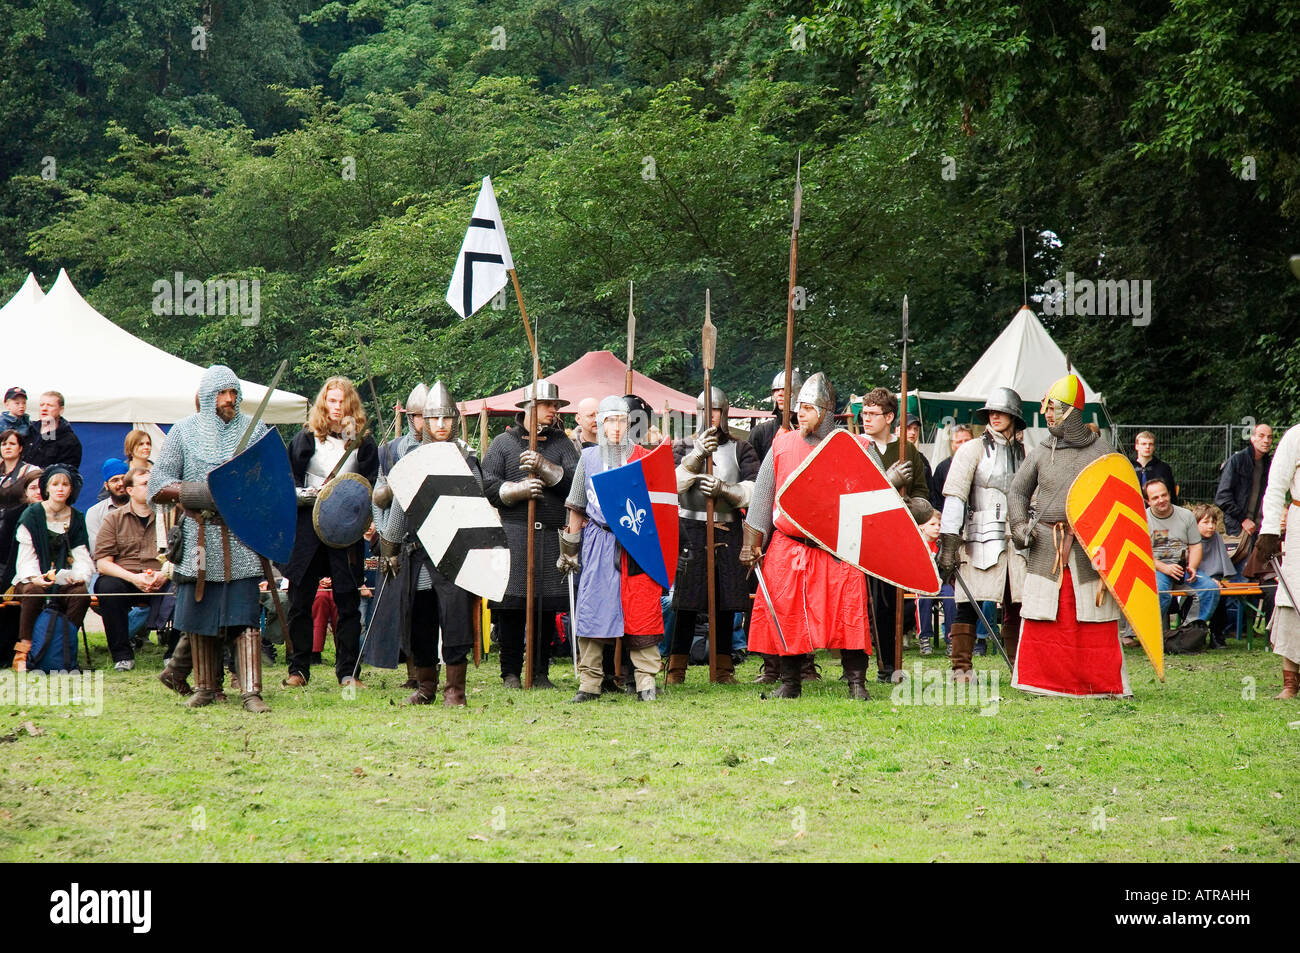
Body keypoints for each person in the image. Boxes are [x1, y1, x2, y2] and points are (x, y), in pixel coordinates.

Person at [740, 373, 872, 699]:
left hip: (838, 547)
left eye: (809, 408)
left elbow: (874, 499)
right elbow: (762, 498)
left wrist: (891, 480)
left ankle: (856, 682)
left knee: (849, 612)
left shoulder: (856, 447)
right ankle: (790, 682)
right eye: (800, 407)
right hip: (789, 546)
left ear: (826, 412)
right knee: (788, 613)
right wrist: (750, 542)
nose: (801, 413)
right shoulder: (782, 446)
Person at [148, 365, 272, 712]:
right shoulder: (184, 432)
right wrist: (200, 492)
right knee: (200, 616)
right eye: (221, 393)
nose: (228, 400)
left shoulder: (254, 429)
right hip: (199, 536)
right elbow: (158, 485)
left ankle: (251, 692)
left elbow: (267, 482)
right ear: (206, 396)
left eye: (233, 392)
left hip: (240, 536)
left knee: (244, 615)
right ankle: (204, 688)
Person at [1007, 374, 1127, 698]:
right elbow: (1017, 491)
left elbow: (1123, 503)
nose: (1047, 415)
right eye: (1046, 408)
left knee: (1092, 617)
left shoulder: (1103, 454)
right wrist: (1019, 527)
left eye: (1054, 408)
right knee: (1045, 615)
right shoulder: (1041, 452)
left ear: (1073, 412)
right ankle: (1040, 682)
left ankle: (1100, 685)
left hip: (1090, 548)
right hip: (1048, 543)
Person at [372, 381, 480, 707]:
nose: (441, 425)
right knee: (420, 620)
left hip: (454, 551)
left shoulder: (467, 458)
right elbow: (402, 506)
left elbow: (477, 502)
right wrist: (389, 547)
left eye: (447, 418)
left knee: (455, 618)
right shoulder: (411, 459)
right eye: (435, 419)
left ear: (455, 421)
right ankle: (425, 686)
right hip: (418, 553)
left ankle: (455, 691)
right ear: (426, 422)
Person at [560, 396, 664, 701]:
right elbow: (577, 508)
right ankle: (590, 683)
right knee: (593, 610)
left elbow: (661, 505)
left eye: (621, 420)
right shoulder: (589, 459)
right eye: (609, 421)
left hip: (636, 544)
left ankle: (646, 682)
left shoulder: (643, 457)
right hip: (597, 542)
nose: (616, 427)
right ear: (600, 424)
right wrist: (569, 549)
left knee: (642, 610)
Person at [281, 376, 379, 689]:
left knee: (348, 602)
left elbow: (372, 487)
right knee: (300, 602)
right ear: (324, 403)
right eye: (331, 401)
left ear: (351, 404)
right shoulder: (306, 438)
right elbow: (288, 484)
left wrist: (369, 516)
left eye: (342, 402)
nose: (336, 408)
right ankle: (298, 669)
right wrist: (308, 495)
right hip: (307, 528)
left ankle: (349, 673)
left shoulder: (362, 443)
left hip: (346, 531)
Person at [482, 379, 579, 689]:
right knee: (511, 608)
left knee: (545, 607)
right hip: (514, 533)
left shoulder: (562, 444)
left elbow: (577, 485)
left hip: (549, 534)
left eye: (555, 406)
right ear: (529, 407)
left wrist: (548, 469)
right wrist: (516, 490)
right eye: (549, 405)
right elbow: (486, 484)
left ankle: (539, 671)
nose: (554, 411)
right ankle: (510, 671)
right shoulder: (503, 443)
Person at [666, 387, 759, 684]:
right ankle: (676, 668)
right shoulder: (682, 447)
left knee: (725, 601)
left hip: (726, 528)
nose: (711, 416)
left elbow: (755, 490)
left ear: (725, 412)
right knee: (684, 603)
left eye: (716, 410)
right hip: (689, 529)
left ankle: (722, 668)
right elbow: (672, 485)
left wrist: (724, 490)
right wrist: (696, 455)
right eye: (706, 411)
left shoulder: (741, 448)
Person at [936, 387, 1028, 679]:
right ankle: (961, 668)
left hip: (1016, 540)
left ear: (1014, 416)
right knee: (968, 603)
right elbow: (954, 498)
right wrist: (949, 544)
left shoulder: (1026, 454)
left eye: (1002, 412)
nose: (996, 416)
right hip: (978, 538)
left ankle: (1020, 668)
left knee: (1017, 605)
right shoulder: (971, 449)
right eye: (992, 411)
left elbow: (1032, 498)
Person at [858, 386, 930, 681]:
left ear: (889, 417)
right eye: (864, 413)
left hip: (894, 539)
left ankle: (889, 666)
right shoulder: (856, 446)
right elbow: (854, 495)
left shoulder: (908, 450)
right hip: (861, 536)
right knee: (859, 605)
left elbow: (924, 498)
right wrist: (889, 484)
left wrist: (909, 505)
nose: (867, 419)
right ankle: (855, 668)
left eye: (874, 414)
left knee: (889, 604)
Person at [10, 465, 92, 671]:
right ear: (47, 488)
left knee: (81, 594)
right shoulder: (33, 514)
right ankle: (25, 649)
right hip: (32, 578)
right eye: (55, 484)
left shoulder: (76, 517)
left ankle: (62, 645)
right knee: (33, 591)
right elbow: (26, 555)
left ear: (72, 489)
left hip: (61, 579)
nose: (60, 489)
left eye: (65, 484)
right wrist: (33, 577)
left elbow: (81, 554)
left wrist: (78, 576)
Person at [94, 467, 172, 671]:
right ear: (129, 490)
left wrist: (163, 574)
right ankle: (122, 655)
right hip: (126, 578)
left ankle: (174, 654)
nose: (152, 487)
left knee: (185, 584)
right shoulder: (114, 518)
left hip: (162, 576)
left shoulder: (169, 516)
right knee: (107, 586)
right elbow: (102, 563)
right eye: (145, 484)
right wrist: (133, 578)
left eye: (153, 482)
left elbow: (181, 555)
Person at [1254, 422, 1300, 698]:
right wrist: (1270, 530)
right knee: (1292, 596)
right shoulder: (1296, 435)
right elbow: (1275, 488)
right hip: (1298, 528)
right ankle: (1291, 682)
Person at [1144, 479, 1216, 630]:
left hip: (1183, 568)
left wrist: (1193, 566)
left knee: (1210, 588)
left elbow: (1196, 546)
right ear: (1147, 501)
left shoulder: (1186, 515)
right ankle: (1153, 632)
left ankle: (1190, 629)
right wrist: (1164, 568)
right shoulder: (1142, 519)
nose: (1161, 500)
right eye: (1155, 498)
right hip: (1155, 569)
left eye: (1164, 495)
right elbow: (1141, 554)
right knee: (1159, 593)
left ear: (1170, 494)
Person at [1215, 423, 1273, 566]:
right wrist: (1243, 520)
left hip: (1261, 528)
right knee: (1240, 575)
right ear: (1252, 438)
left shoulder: (1270, 464)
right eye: (1261, 436)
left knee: (1258, 574)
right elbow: (1222, 497)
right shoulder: (1237, 460)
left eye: (1270, 437)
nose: (1266, 440)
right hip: (1239, 527)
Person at [1190, 503, 1234, 648]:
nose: (1211, 526)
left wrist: (1218, 580)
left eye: (1214, 522)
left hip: (1216, 579)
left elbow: (1221, 564)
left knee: (1221, 596)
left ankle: (1217, 635)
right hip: (1194, 579)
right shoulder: (1189, 538)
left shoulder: (1216, 537)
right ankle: (1196, 633)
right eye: (1206, 522)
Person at [748, 368, 802, 465]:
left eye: (785, 389)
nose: (780, 393)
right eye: (776, 390)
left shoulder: (810, 432)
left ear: (798, 392)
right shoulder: (760, 432)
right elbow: (752, 471)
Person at [22, 391, 82, 472]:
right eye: (42, 405)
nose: (44, 408)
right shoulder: (27, 431)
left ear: (61, 410)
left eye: (50, 405)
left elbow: (66, 474)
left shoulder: (70, 441)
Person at [85, 458, 130, 560]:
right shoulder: (95, 513)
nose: (121, 483)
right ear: (106, 486)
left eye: (124, 478)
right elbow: (96, 550)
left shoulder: (141, 507)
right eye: (115, 480)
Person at [929, 424, 972, 510]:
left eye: (967, 441)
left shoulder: (983, 465)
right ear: (952, 444)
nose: (964, 445)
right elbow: (936, 500)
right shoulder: (942, 468)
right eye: (959, 442)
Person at [1132, 431, 1177, 505]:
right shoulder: (1129, 467)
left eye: (1150, 444)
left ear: (1154, 447)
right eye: (1143, 444)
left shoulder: (1164, 468)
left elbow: (1171, 493)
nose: (1147, 447)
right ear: (1136, 446)